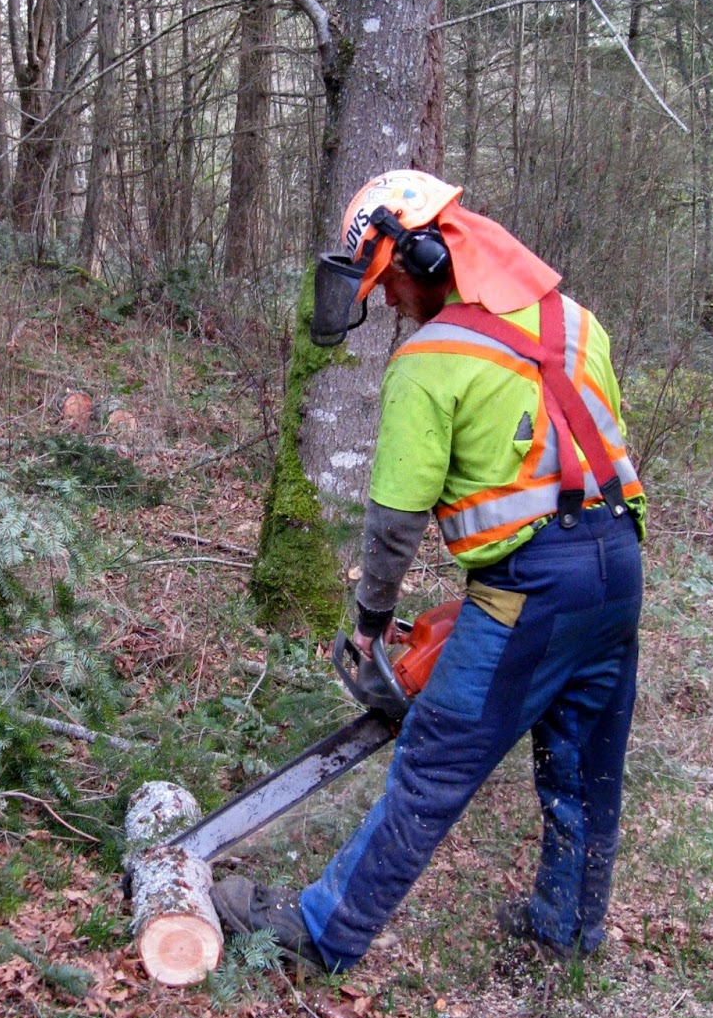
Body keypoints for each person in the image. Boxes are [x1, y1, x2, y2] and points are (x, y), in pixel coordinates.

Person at [213, 170, 645, 972]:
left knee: (433, 762)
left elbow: (394, 525)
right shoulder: (577, 321)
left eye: (392, 284)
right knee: (583, 758)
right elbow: (571, 461)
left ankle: (317, 934)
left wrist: (373, 621)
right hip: (619, 567)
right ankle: (569, 925)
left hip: (533, 591)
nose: (388, 303)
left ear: (425, 257)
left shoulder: (430, 358)